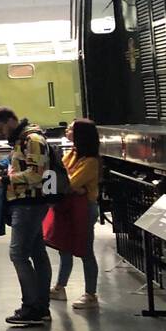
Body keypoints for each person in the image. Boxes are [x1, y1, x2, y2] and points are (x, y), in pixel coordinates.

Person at [0, 106, 53, 326]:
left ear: (9, 121)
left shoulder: (32, 139)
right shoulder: (24, 139)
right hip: (29, 203)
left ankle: (32, 307)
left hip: (28, 203)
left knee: (18, 254)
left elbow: (37, 173)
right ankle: (40, 307)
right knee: (36, 253)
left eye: (0, 128)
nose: (1, 133)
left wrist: (3, 181)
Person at [50, 118, 101, 309]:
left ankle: (91, 294)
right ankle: (60, 287)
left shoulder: (90, 161)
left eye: (71, 129)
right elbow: (66, 180)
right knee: (64, 248)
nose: (67, 131)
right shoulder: (73, 154)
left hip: (84, 209)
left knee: (86, 251)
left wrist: (72, 187)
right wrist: (71, 187)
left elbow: (69, 183)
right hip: (71, 206)